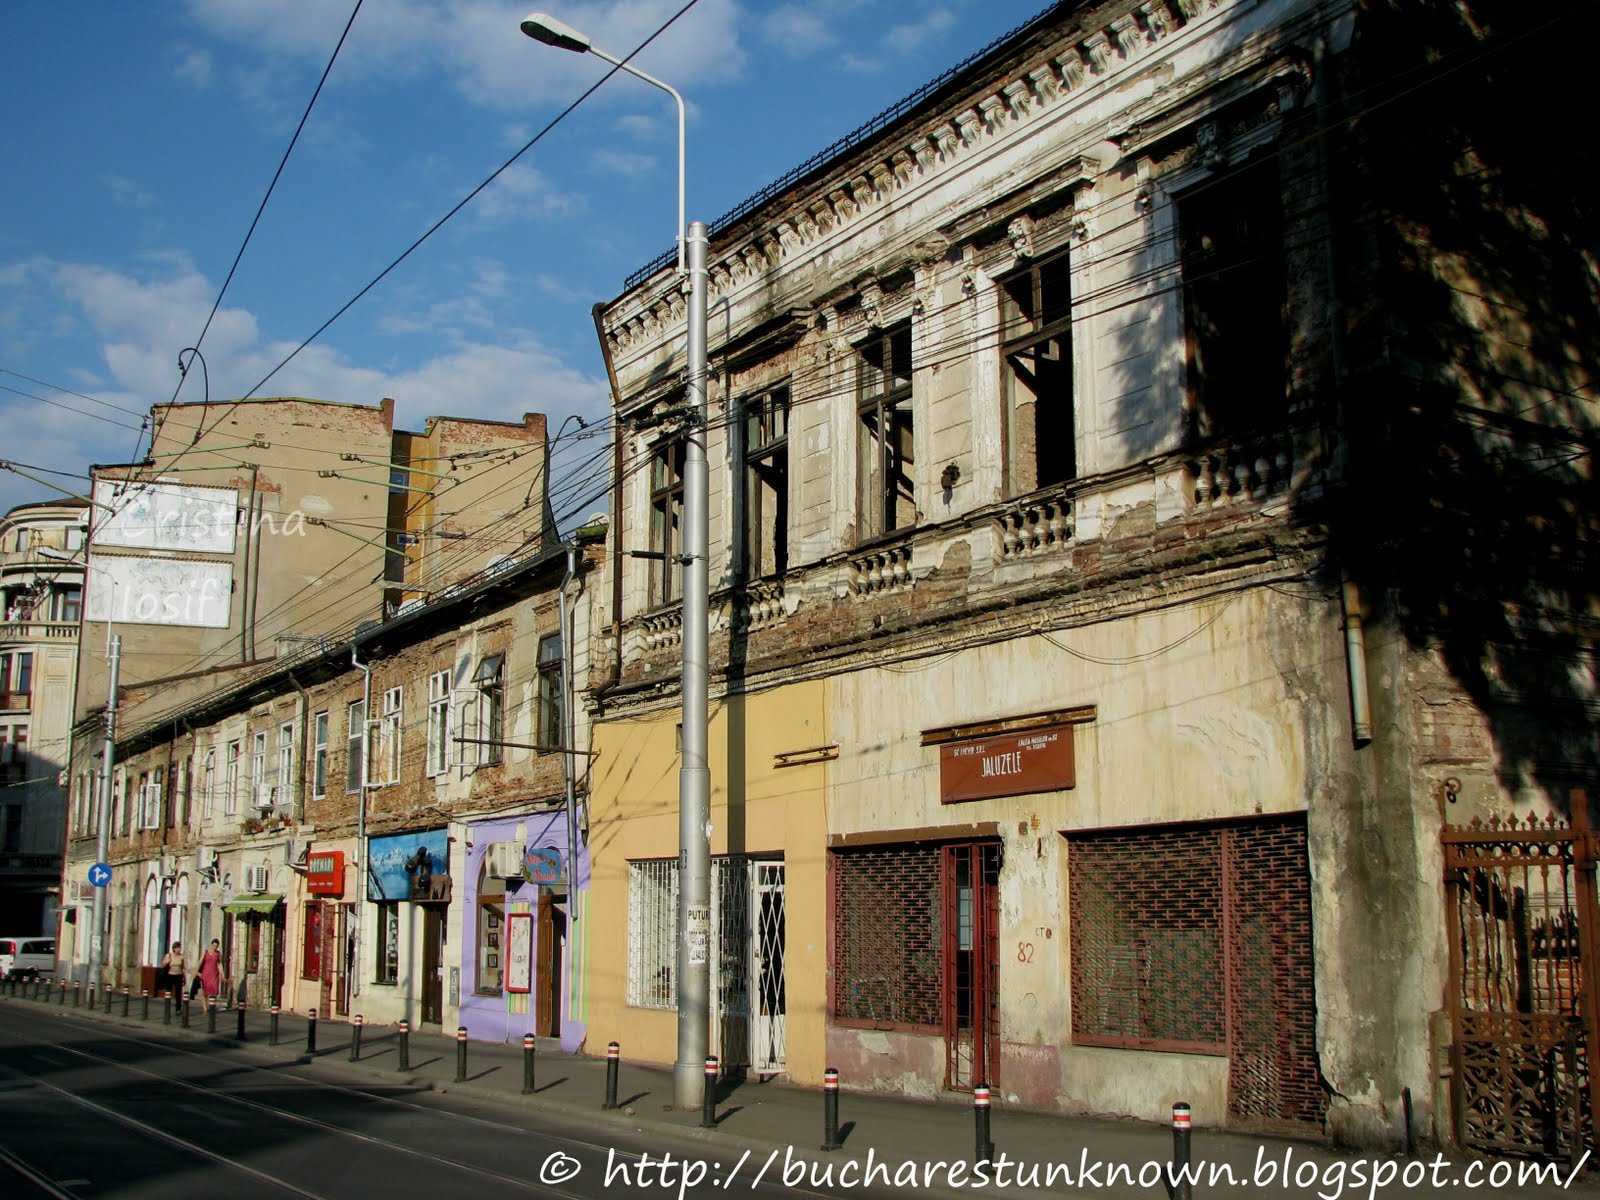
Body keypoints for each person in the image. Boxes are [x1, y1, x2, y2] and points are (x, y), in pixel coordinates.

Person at [192, 938, 224, 1009]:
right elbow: (200, 962)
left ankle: (212, 1005)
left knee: (214, 990)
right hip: (206, 974)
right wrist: (195, 971)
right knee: (205, 992)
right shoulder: (206, 952)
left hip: (214, 974)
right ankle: (205, 1007)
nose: (215, 948)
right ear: (211, 945)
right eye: (214, 946)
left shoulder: (218, 954)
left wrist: (222, 974)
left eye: (216, 946)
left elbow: (219, 964)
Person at [158, 941, 186, 1008]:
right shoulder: (169, 955)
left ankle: (178, 1008)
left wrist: (184, 977)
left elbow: (183, 967)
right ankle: (167, 1006)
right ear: (174, 948)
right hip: (170, 975)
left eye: (180, 948)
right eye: (177, 948)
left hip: (178, 975)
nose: (179, 949)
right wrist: (167, 962)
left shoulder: (182, 956)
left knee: (178, 993)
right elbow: (162, 965)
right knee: (168, 991)